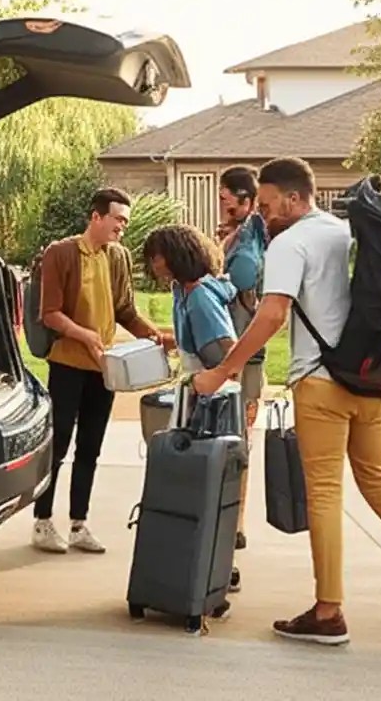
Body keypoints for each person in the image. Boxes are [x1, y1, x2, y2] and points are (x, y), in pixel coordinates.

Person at [193, 157, 381, 645]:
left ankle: (328, 611)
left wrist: (221, 371)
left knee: (323, 493)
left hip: (320, 385)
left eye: (271, 204)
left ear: (296, 198)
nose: (264, 214)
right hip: (366, 380)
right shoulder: (345, 233)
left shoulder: (290, 243)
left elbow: (272, 315)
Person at [32, 187, 170, 554]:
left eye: (125, 221)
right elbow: (50, 313)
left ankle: (79, 524)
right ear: (96, 217)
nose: (122, 226)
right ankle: (42, 522)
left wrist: (153, 334)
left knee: (90, 446)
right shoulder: (60, 253)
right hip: (67, 364)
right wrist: (84, 334)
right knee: (58, 444)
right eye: (118, 219)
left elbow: (125, 310)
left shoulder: (118, 257)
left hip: (103, 366)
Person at [142, 223, 244, 593]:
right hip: (197, 394)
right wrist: (170, 340)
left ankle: (218, 566)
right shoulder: (182, 291)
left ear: (174, 256)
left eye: (156, 258)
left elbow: (228, 354)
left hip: (210, 402)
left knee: (207, 484)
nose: (153, 266)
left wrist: (207, 380)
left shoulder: (199, 296)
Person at [217, 165, 269, 551]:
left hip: (242, 359)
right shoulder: (247, 234)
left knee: (235, 442)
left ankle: (233, 521)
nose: (221, 206)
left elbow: (246, 279)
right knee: (235, 440)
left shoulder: (249, 242)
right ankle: (232, 519)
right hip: (240, 356)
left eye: (225, 200)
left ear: (245, 201)